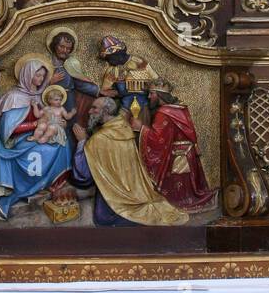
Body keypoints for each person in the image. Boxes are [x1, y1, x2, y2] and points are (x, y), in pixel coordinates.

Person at [70, 96, 187, 227]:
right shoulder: (124, 128)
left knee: (103, 218)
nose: (89, 111)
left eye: (94, 108)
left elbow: (83, 175)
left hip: (115, 196)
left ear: (106, 111)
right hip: (136, 191)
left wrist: (81, 142)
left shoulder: (98, 140)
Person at [0, 57, 71, 220]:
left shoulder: (39, 95)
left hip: (37, 133)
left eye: (42, 76)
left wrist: (60, 123)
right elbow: (8, 130)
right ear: (27, 74)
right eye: (37, 75)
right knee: (43, 149)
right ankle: (26, 188)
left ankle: (52, 183)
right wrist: (34, 124)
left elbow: (48, 116)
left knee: (61, 142)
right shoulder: (13, 97)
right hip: (14, 140)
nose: (40, 80)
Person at [138, 81, 217, 211]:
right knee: (188, 189)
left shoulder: (163, 113)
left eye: (151, 93)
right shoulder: (179, 109)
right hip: (187, 155)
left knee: (176, 198)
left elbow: (158, 139)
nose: (149, 97)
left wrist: (141, 129)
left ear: (159, 95)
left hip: (176, 157)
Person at [44, 27, 99, 123]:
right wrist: (49, 82)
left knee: (70, 125)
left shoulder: (69, 65)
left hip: (69, 102)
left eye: (68, 48)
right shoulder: (45, 64)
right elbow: (32, 89)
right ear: (54, 46)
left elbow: (80, 83)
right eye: (61, 46)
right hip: (49, 103)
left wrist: (98, 90)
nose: (65, 50)